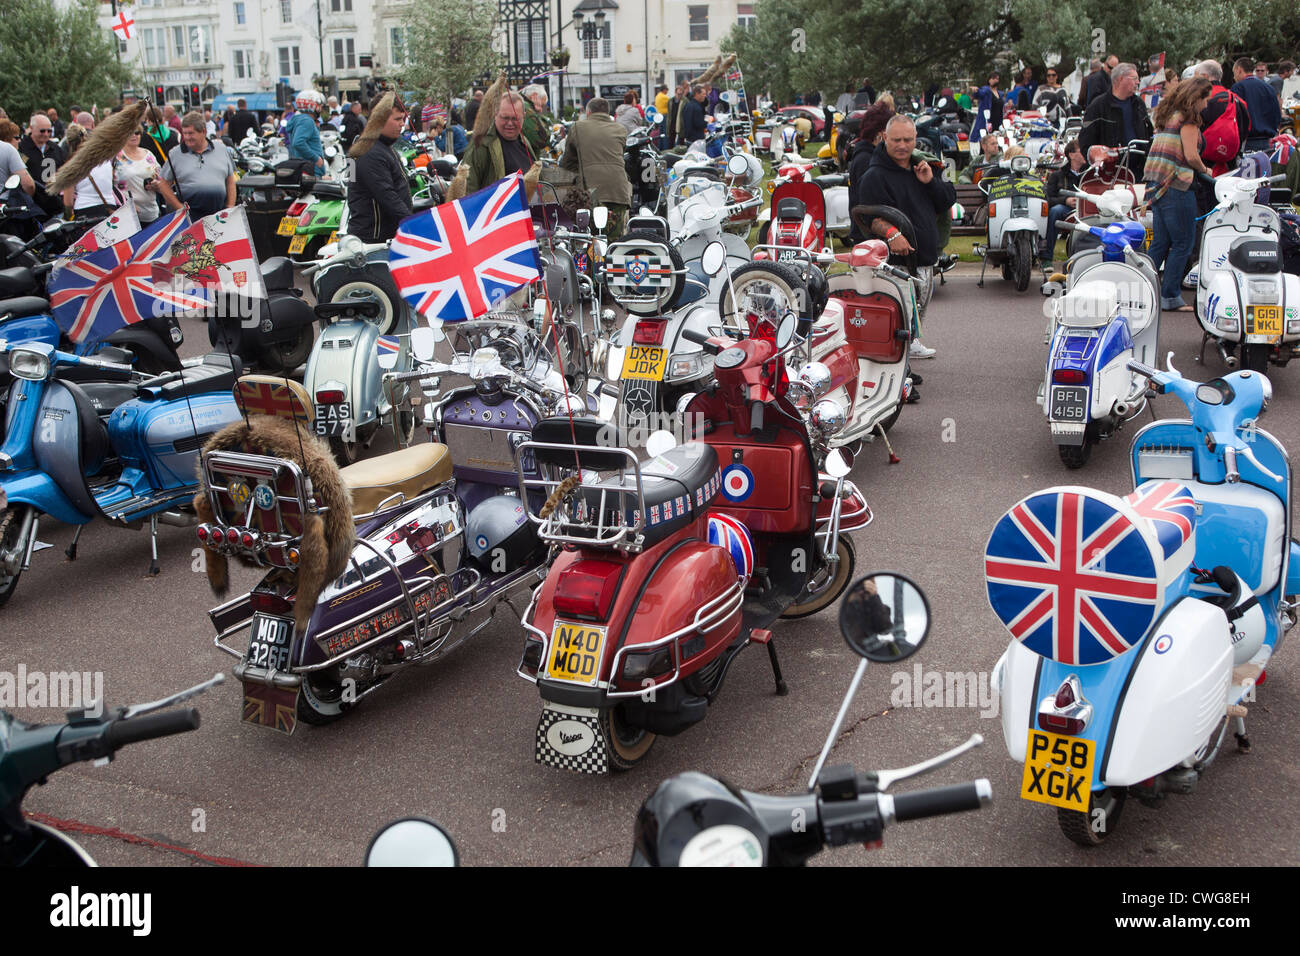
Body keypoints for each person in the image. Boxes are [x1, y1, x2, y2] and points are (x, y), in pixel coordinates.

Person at [855, 115, 955, 360]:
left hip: (925, 255)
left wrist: (930, 181)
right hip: (895, 263)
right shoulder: (873, 175)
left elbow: (947, 200)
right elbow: (868, 217)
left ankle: (913, 341)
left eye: (908, 140)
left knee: (920, 308)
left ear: (915, 140)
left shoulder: (924, 167)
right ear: (885, 138)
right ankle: (899, 355)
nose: (902, 145)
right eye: (897, 139)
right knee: (899, 310)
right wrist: (892, 234)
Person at [1142, 77, 1212, 313]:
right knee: (1183, 243)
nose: (1207, 104)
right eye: (1205, 99)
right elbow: (1191, 156)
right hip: (1177, 185)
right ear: (1196, 98)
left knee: (1161, 243)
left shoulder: (1167, 115)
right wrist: (1205, 170)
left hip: (1157, 183)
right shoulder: (1189, 121)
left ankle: (1145, 291)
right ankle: (1170, 296)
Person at [559, 97, 632, 238]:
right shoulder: (620, 129)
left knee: (588, 238)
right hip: (618, 191)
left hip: (589, 192)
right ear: (607, 113)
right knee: (613, 239)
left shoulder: (577, 127)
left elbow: (567, 162)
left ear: (588, 112)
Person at [345, 92, 412, 243]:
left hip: (376, 236)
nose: (402, 124)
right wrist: (413, 224)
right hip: (374, 241)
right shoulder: (370, 152)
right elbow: (387, 195)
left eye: (403, 119)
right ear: (378, 120)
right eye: (397, 119)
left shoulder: (378, 146)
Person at [153, 111, 236, 219]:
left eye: (191, 133)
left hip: (219, 217)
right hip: (190, 219)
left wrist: (230, 207)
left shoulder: (221, 149)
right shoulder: (175, 154)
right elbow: (163, 185)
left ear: (203, 131)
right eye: (185, 133)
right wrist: (180, 209)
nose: (187, 137)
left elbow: (230, 180)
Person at [1079, 63, 1153, 173]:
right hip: (1110, 173)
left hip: (1138, 171)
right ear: (1120, 79)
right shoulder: (1097, 106)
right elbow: (1085, 143)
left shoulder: (1139, 104)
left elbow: (1148, 133)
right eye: (1134, 78)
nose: (1138, 82)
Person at [464, 91, 535, 193]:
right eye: (505, 118)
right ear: (495, 113)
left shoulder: (524, 141)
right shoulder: (481, 145)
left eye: (515, 119)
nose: (510, 123)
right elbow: (468, 192)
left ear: (524, 116)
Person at [847, 101, 895, 240]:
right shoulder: (866, 160)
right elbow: (869, 203)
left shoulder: (867, 156)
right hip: (868, 236)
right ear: (881, 134)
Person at [114, 123, 165, 223]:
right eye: (130, 133)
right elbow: (109, 187)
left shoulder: (148, 154)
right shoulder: (116, 157)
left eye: (137, 133)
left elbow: (161, 179)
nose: (134, 135)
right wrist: (124, 203)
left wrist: (157, 185)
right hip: (127, 216)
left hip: (152, 212)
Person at [1043, 139, 1085, 261]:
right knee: (1055, 211)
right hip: (1066, 209)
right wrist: (1066, 200)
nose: (1085, 154)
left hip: (1087, 208)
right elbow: (1049, 199)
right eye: (1082, 151)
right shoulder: (1057, 175)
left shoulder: (1091, 173)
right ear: (1071, 155)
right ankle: (1047, 257)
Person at [17, 112, 65, 217]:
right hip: (31, 205)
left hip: (54, 205)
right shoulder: (21, 149)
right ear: (31, 128)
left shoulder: (56, 149)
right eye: (42, 131)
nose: (46, 134)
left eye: (49, 131)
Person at [1231, 57, 1282, 152]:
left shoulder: (1238, 88)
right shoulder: (1269, 88)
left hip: (1247, 143)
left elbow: (1234, 116)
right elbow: (1277, 115)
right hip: (1267, 142)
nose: (1234, 77)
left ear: (1239, 70)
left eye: (1234, 73)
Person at [286, 90, 326, 174]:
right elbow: (298, 143)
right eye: (320, 105)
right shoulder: (307, 121)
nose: (321, 109)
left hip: (304, 167)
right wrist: (316, 158)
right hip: (311, 169)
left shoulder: (299, 119)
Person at [0, 120, 36, 197]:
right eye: (16, 137)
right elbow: (29, 185)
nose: (19, 140)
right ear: (6, 139)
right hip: (6, 203)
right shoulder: (8, 149)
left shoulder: (22, 155)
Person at [520, 84, 553, 157]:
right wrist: (536, 113)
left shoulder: (520, 103)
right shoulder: (525, 108)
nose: (541, 110)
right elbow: (542, 140)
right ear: (534, 96)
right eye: (541, 105)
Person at [972, 71, 1003, 142]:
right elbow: (980, 93)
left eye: (997, 79)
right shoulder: (986, 90)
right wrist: (976, 91)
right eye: (993, 78)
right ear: (989, 80)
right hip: (987, 123)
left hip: (997, 124)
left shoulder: (1000, 94)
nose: (995, 80)